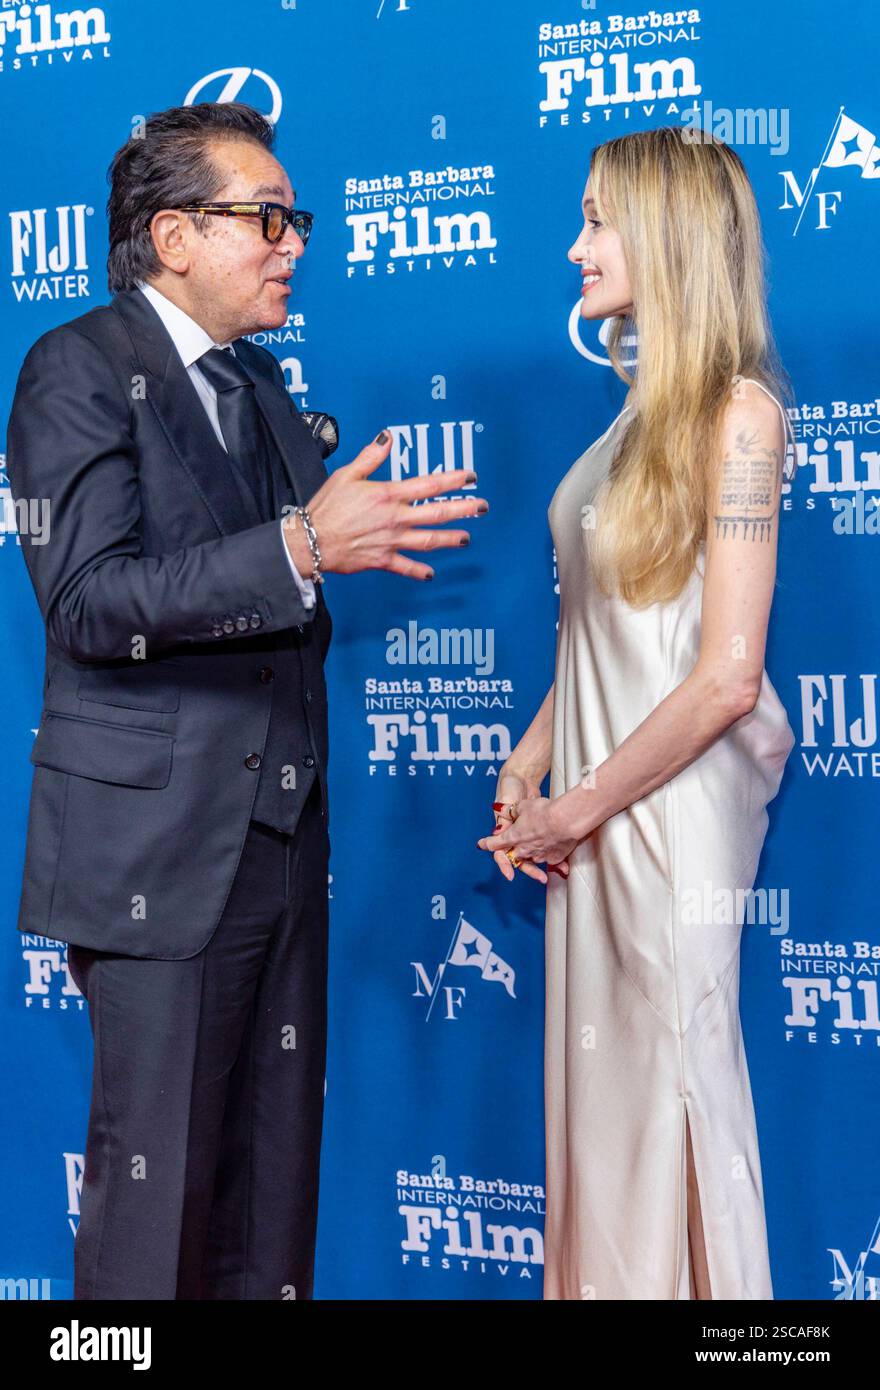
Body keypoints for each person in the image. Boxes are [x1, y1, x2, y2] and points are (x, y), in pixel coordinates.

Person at [6, 101, 487, 1300]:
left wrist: (323, 544)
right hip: (156, 860)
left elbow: (289, 577)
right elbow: (88, 601)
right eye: (264, 218)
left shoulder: (262, 381)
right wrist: (299, 546)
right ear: (172, 237)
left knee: (270, 1195)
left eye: (295, 219)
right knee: (154, 1198)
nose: (293, 242)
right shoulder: (73, 368)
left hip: (279, 848)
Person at [477, 126, 797, 1300]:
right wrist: (530, 760)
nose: (574, 248)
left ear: (663, 233)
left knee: (671, 1096)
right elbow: (605, 634)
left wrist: (580, 808)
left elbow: (722, 675)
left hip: (665, 831)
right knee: (605, 1124)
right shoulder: (626, 421)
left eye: (597, 220)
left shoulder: (741, 419)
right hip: (598, 823)